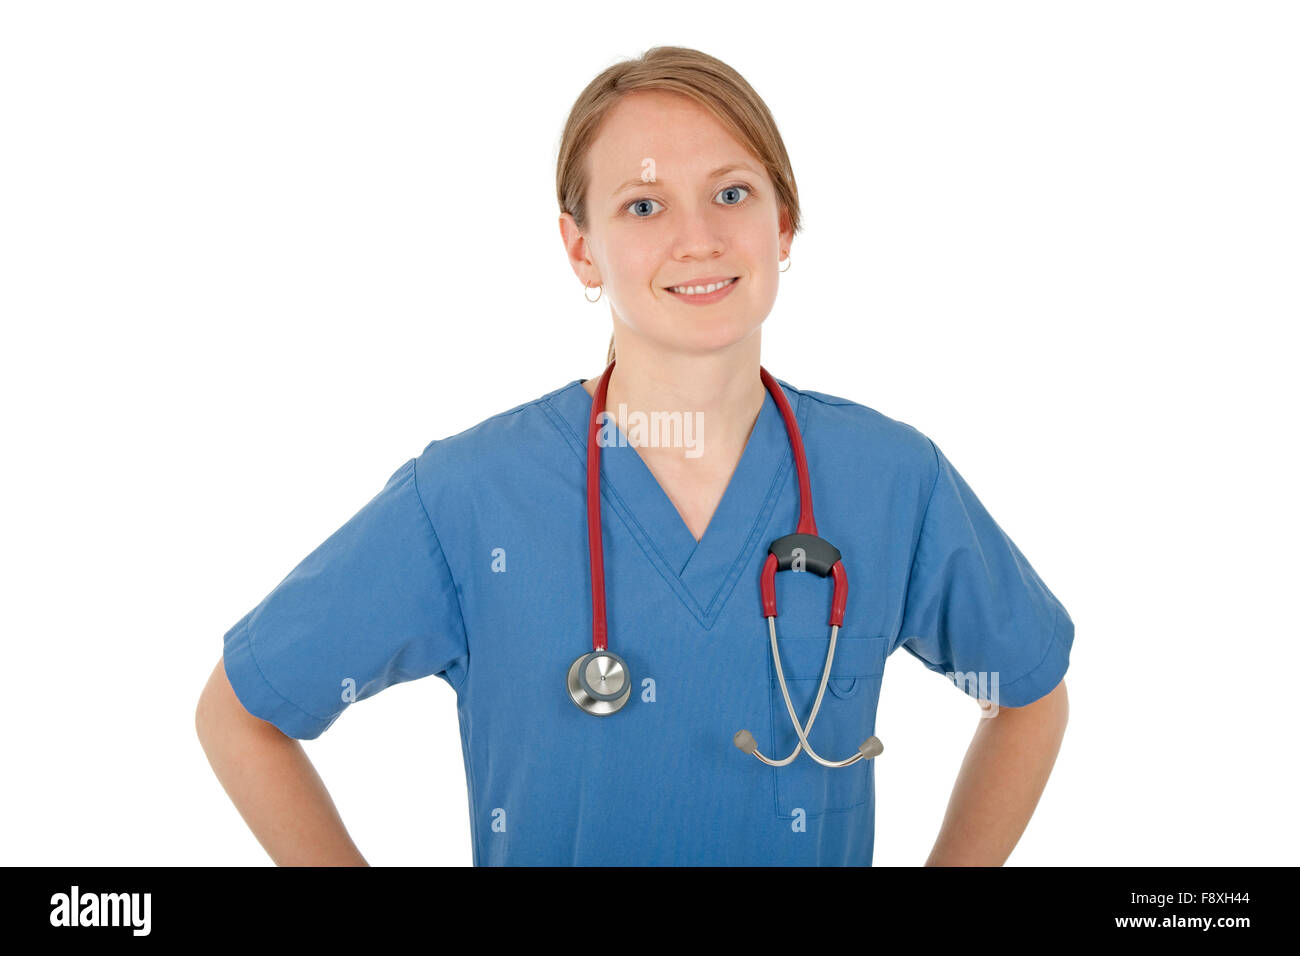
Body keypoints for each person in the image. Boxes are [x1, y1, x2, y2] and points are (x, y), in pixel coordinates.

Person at [195, 46, 1072, 867]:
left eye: (732, 194)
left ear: (786, 224)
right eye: (643, 206)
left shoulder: (891, 480)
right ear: (582, 249)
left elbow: (1028, 693)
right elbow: (241, 716)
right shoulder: (468, 497)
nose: (699, 239)